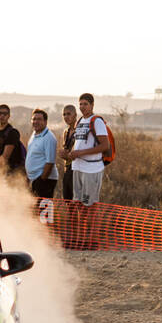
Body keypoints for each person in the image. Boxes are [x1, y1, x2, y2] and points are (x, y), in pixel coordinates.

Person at [60, 93, 111, 247]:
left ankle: (92, 241)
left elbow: (104, 146)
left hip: (92, 169)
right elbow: (80, 144)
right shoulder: (81, 121)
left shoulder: (97, 121)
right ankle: (81, 239)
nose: (83, 107)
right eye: (80, 104)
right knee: (79, 206)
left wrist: (81, 153)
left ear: (92, 105)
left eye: (85, 104)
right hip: (77, 167)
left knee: (90, 207)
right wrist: (68, 154)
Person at [25, 109, 57, 200]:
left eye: (39, 119)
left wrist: (41, 181)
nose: (36, 122)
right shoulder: (34, 134)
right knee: (34, 211)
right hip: (33, 180)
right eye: (34, 119)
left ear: (45, 121)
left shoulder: (49, 137)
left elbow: (50, 162)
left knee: (43, 212)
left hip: (45, 181)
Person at [0, 104, 25, 179]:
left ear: (9, 116)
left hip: (10, 174)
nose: (2, 116)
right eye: (0, 113)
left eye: (5, 114)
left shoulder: (13, 133)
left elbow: (5, 157)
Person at [59, 104, 78, 200]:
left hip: (77, 170)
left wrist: (68, 154)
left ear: (75, 115)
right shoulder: (66, 132)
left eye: (69, 114)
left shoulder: (79, 130)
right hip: (67, 169)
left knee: (76, 201)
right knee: (67, 200)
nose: (66, 117)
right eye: (64, 114)